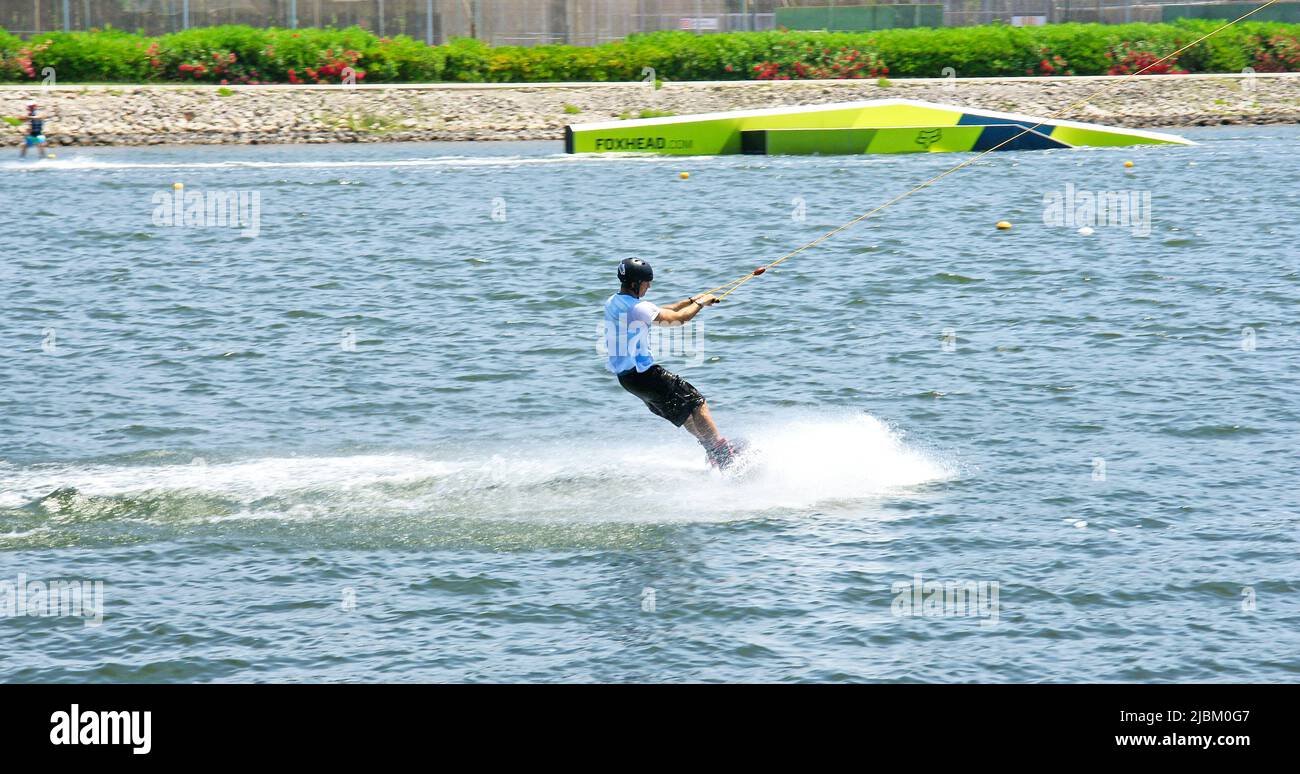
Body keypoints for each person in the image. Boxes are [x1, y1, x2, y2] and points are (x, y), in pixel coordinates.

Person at [603, 257, 743, 469]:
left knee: (684, 414)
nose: (649, 286)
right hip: (644, 374)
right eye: (646, 282)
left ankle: (712, 451)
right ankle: (724, 454)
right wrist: (700, 305)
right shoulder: (637, 308)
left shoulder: (614, 301)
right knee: (696, 402)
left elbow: (664, 309)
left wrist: (692, 299)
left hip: (628, 380)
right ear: (635, 283)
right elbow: (679, 319)